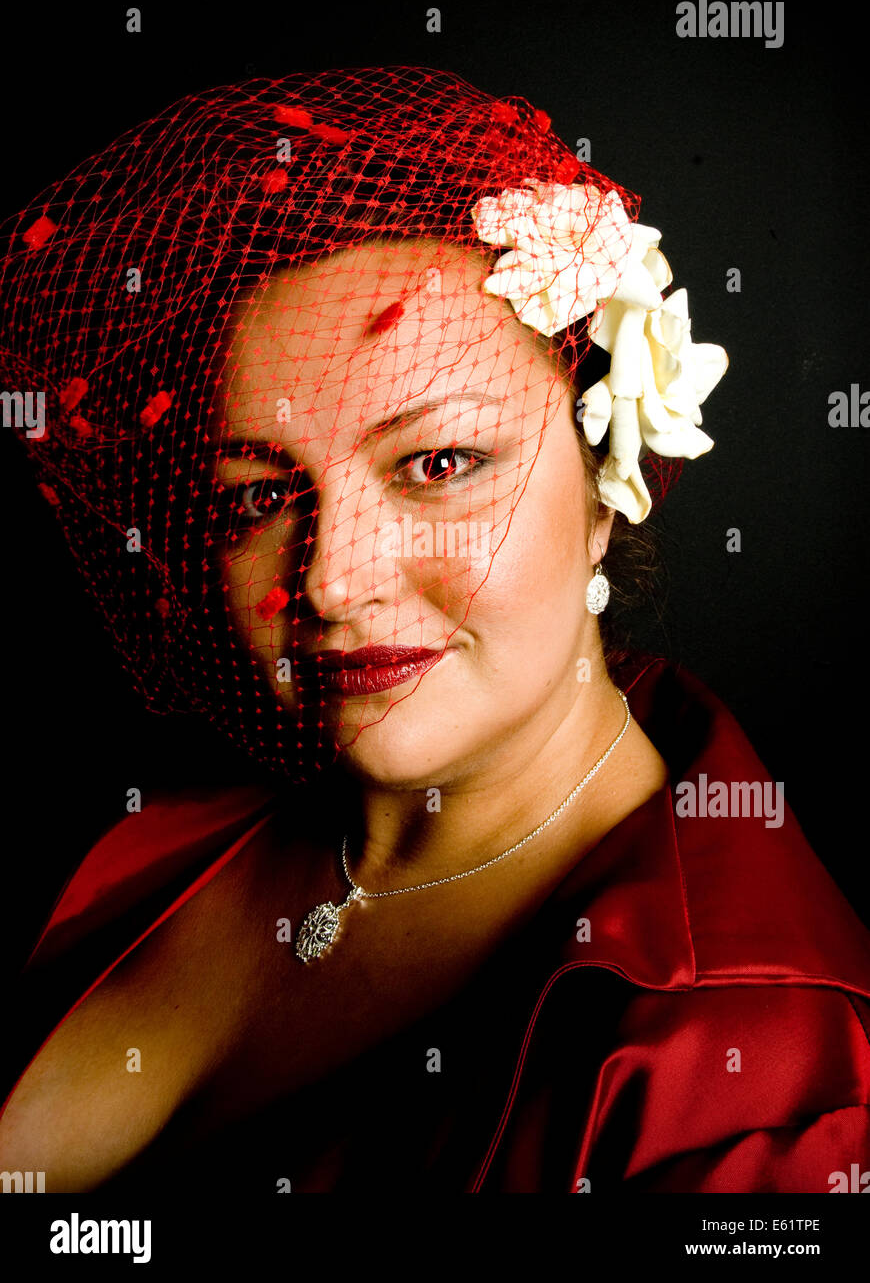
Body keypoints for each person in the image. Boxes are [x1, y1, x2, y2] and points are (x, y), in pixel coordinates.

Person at [0, 67, 868, 1195]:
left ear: (604, 486)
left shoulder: (758, 1094)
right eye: (260, 497)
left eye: (438, 464)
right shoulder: (182, 816)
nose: (331, 583)